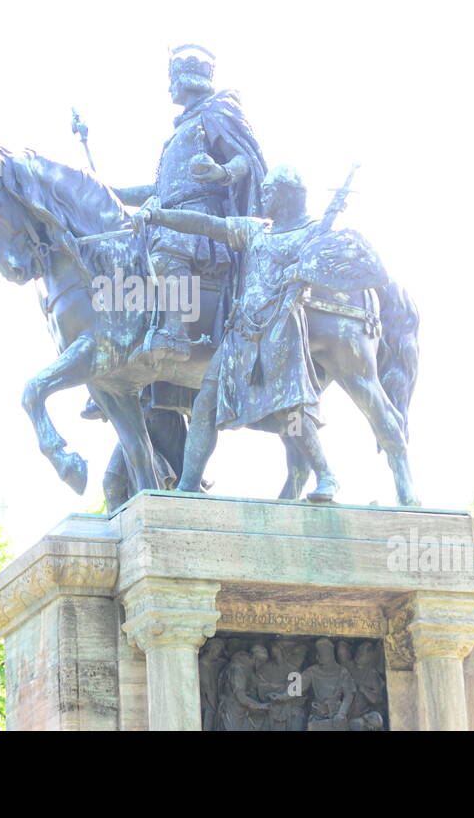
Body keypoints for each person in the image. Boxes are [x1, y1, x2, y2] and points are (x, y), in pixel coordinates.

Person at [132, 164, 338, 501]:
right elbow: (207, 225)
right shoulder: (257, 230)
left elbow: (329, 271)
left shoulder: (313, 234)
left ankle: (326, 476)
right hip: (240, 331)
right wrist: (159, 217)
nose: (262, 196)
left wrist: (305, 274)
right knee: (205, 405)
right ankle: (187, 486)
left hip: (280, 328)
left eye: (270, 191)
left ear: (287, 194)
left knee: (292, 412)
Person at [114, 44, 268, 366]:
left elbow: (244, 158)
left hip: (202, 217)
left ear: (186, 79)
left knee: (168, 245)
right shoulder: (181, 129)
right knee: (121, 257)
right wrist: (111, 192)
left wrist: (221, 172)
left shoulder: (215, 112)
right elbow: (158, 189)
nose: (169, 86)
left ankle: (175, 333)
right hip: (169, 212)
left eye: (172, 79)